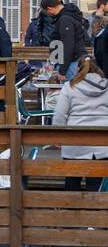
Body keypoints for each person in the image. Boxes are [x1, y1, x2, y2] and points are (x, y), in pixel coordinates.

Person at [52, 57, 108, 191]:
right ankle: (95, 210)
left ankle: (72, 210)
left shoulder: (70, 86)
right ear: (98, 69)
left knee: (72, 181)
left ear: (78, 69)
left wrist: (57, 136)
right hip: (103, 144)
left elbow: (60, 114)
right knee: (96, 185)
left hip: (75, 141)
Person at [42, 0, 90, 78]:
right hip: (74, 61)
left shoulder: (65, 19)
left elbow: (68, 46)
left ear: (49, 9)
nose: (48, 14)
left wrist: (62, 70)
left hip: (71, 63)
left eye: (46, 12)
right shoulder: (69, 16)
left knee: (71, 89)